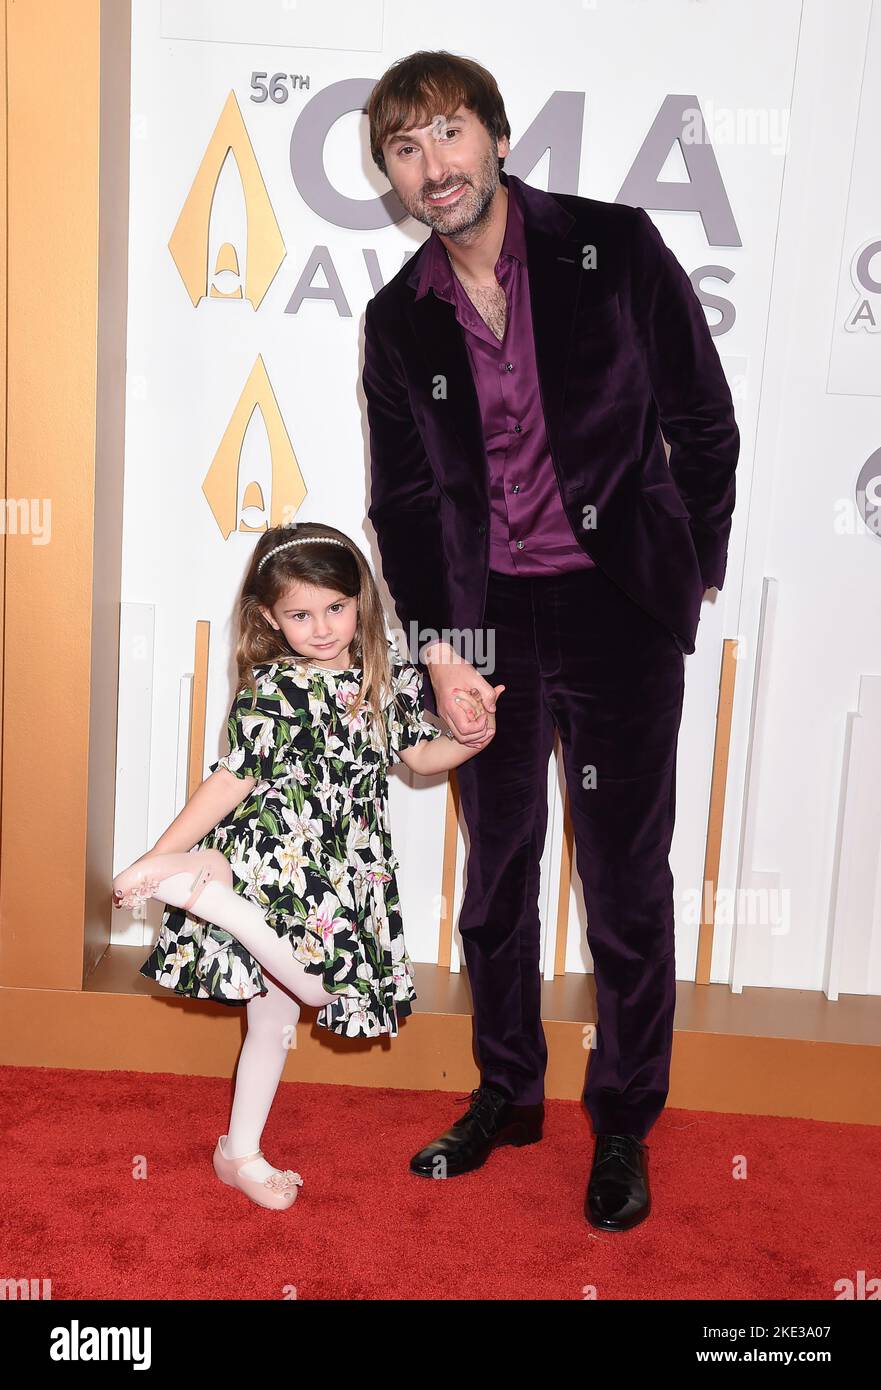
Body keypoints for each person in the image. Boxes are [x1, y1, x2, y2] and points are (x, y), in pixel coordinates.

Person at [362, 51, 740, 1230]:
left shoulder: (613, 248)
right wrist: (438, 643)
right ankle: (507, 1091)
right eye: (405, 149)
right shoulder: (396, 320)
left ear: (496, 137)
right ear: (389, 178)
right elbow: (409, 505)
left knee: (625, 880)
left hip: (614, 605)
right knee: (496, 877)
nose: (434, 166)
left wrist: (678, 574)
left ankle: (621, 1118)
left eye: (449, 134)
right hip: (490, 625)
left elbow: (700, 420)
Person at [112, 520, 502, 1211]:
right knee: (319, 991)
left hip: (344, 870)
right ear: (269, 617)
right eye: (299, 614)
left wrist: (472, 739)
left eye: (335, 608)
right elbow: (231, 780)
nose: (321, 628)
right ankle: (193, 880)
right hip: (276, 859)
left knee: (275, 1020)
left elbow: (419, 758)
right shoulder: (271, 689)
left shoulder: (387, 680)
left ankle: (239, 1152)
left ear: (360, 602)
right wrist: (158, 853)